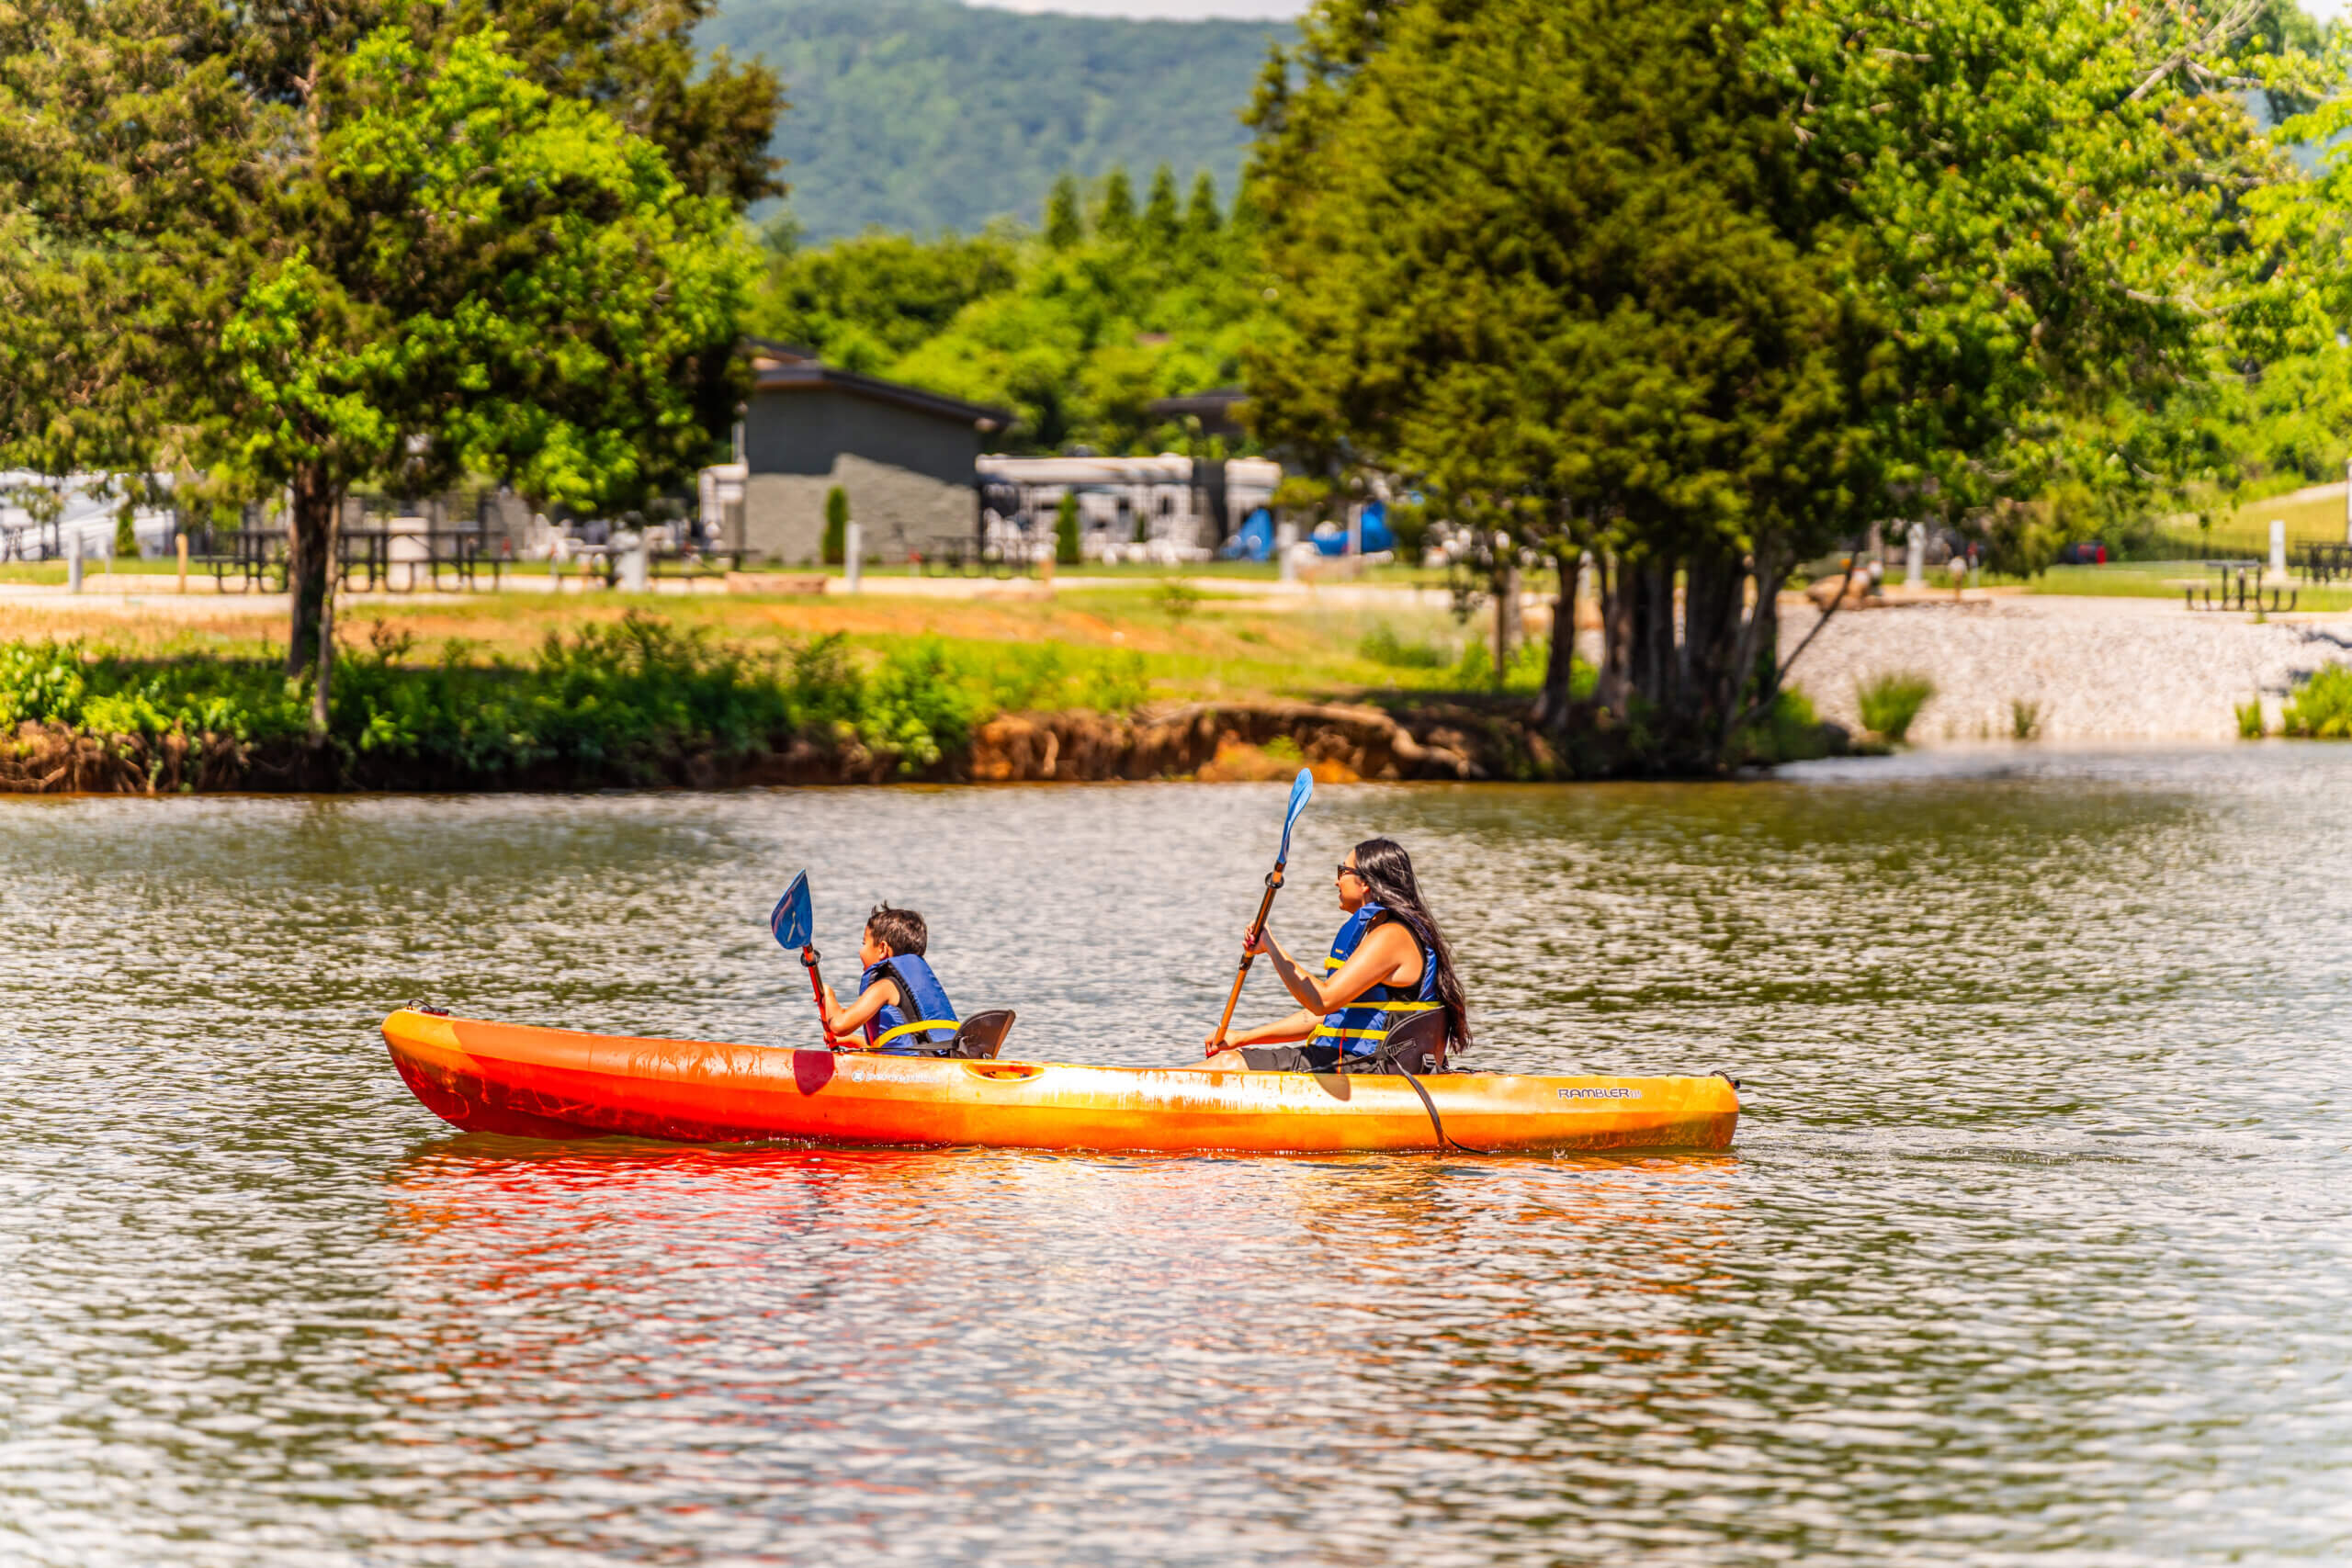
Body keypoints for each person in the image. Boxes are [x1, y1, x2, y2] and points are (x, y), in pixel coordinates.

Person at [1191, 837, 1471, 1073]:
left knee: (1229, 1066)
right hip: (1360, 1062)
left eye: (1342, 871)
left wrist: (1271, 947)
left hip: (1370, 1066)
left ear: (1365, 882)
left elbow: (1322, 1001)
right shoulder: (1380, 933)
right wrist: (1244, 1038)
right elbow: (1329, 1015)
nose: (1336, 882)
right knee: (1233, 1057)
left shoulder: (1392, 936)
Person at [820, 903, 961, 1055]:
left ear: (882, 949)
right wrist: (853, 1041)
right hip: (943, 1061)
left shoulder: (884, 987)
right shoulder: (923, 986)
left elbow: (839, 1025)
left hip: (917, 1066)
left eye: (864, 943)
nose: (860, 951)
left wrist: (828, 995)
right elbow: (912, 1043)